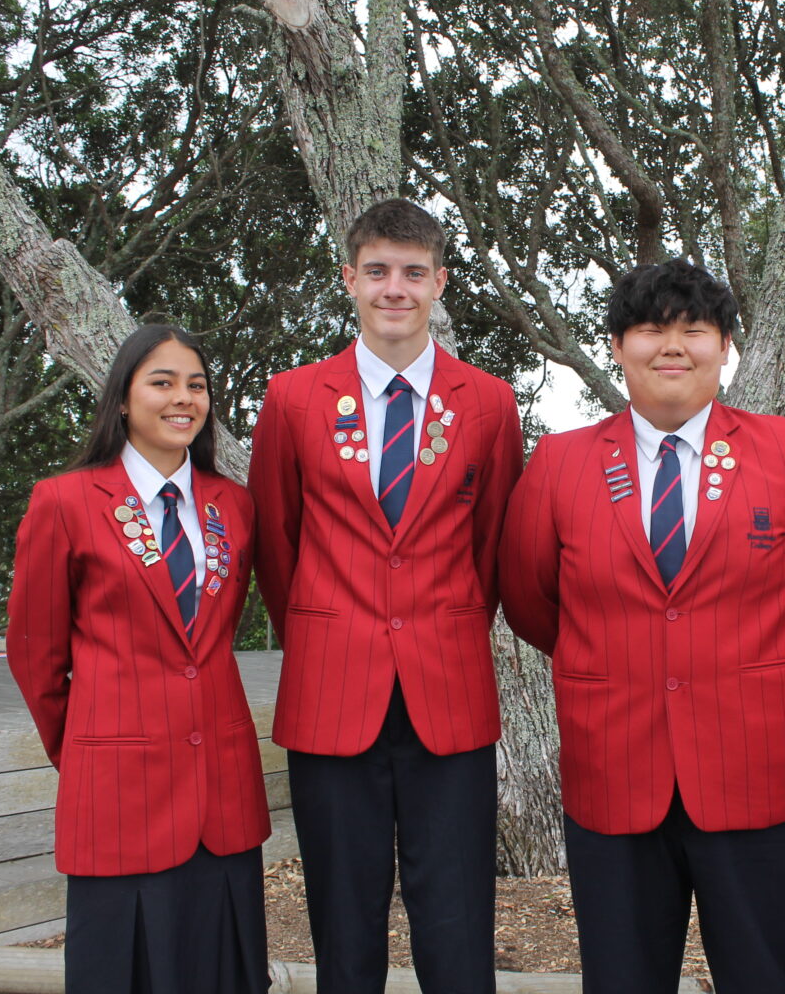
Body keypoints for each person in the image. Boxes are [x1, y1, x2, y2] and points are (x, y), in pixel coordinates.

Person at [500, 258, 785, 994]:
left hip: (758, 768)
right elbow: (532, 602)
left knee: (771, 978)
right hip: (616, 773)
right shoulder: (560, 462)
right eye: (650, 329)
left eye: (694, 329)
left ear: (725, 346)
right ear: (616, 346)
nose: (673, 346)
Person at [249, 199, 523, 994]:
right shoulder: (293, 398)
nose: (393, 288)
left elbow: (494, 548)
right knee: (343, 915)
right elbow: (278, 546)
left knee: (458, 915)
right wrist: (331, 627)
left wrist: (445, 621)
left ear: (439, 281)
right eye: (377, 271)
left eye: (412, 272)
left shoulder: (489, 403)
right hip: (333, 691)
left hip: (449, 688)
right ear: (349, 279)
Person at [7, 324, 271, 994]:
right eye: (162, 382)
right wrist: (89, 745)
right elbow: (35, 655)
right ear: (122, 399)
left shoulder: (234, 507)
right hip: (117, 792)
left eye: (197, 385)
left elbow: (214, 639)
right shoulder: (65, 502)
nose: (183, 398)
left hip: (223, 790)